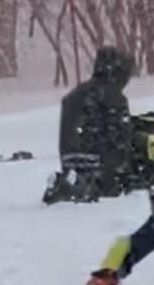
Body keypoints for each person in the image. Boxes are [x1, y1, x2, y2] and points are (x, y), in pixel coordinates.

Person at [43, 46, 135, 203]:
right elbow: (121, 141)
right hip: (103, 171)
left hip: (71, 163)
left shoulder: (75, 95)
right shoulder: (114, 97)